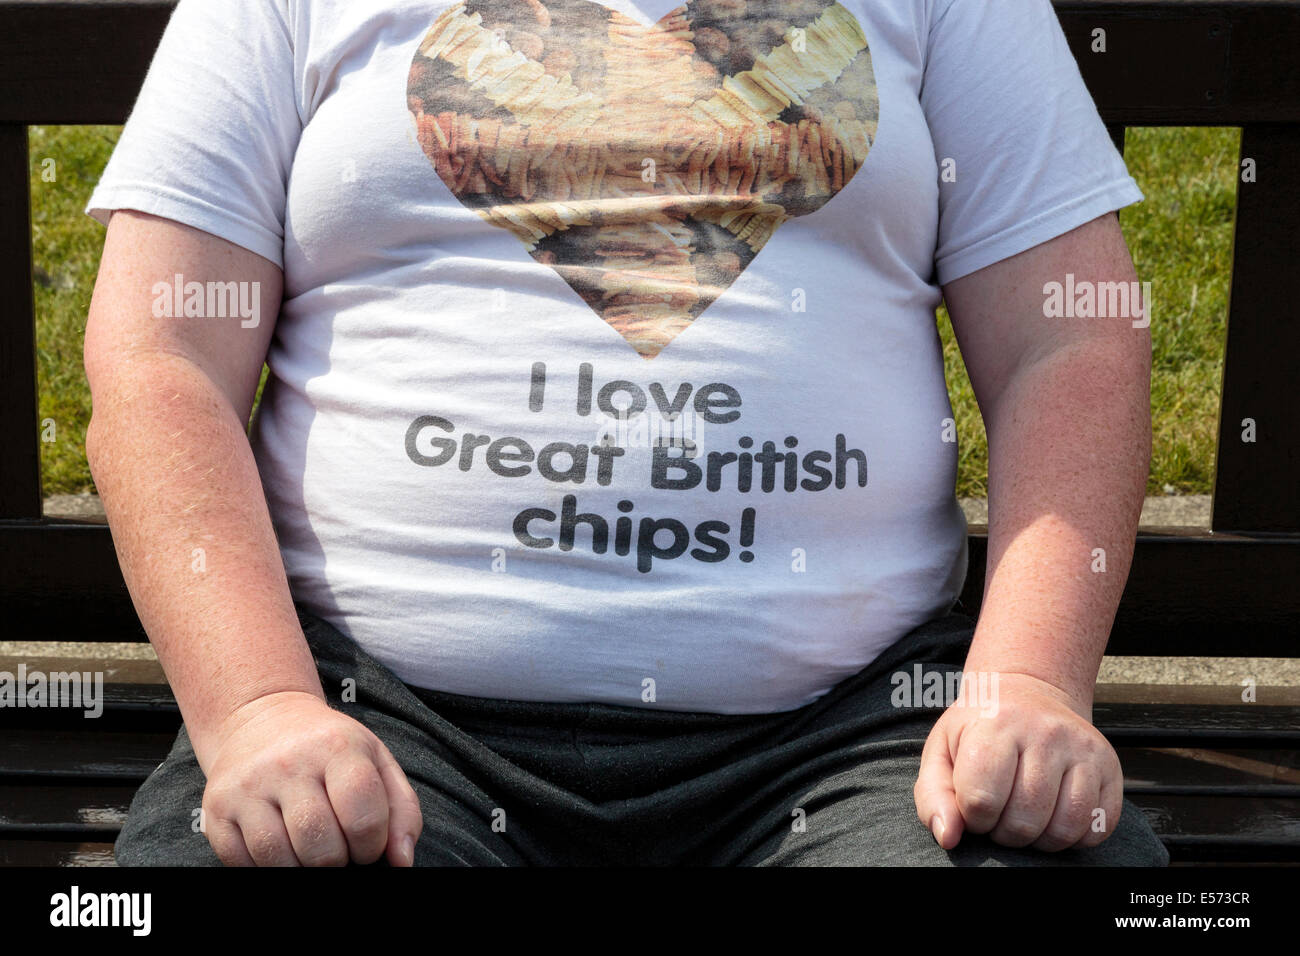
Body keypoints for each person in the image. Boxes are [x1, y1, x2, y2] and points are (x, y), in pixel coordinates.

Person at [83, 0, 1170, 866]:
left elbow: (1065, 342)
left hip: (861, 740)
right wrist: (258, 709)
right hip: (374, 724)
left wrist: (1025, 685)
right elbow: (160, 357)